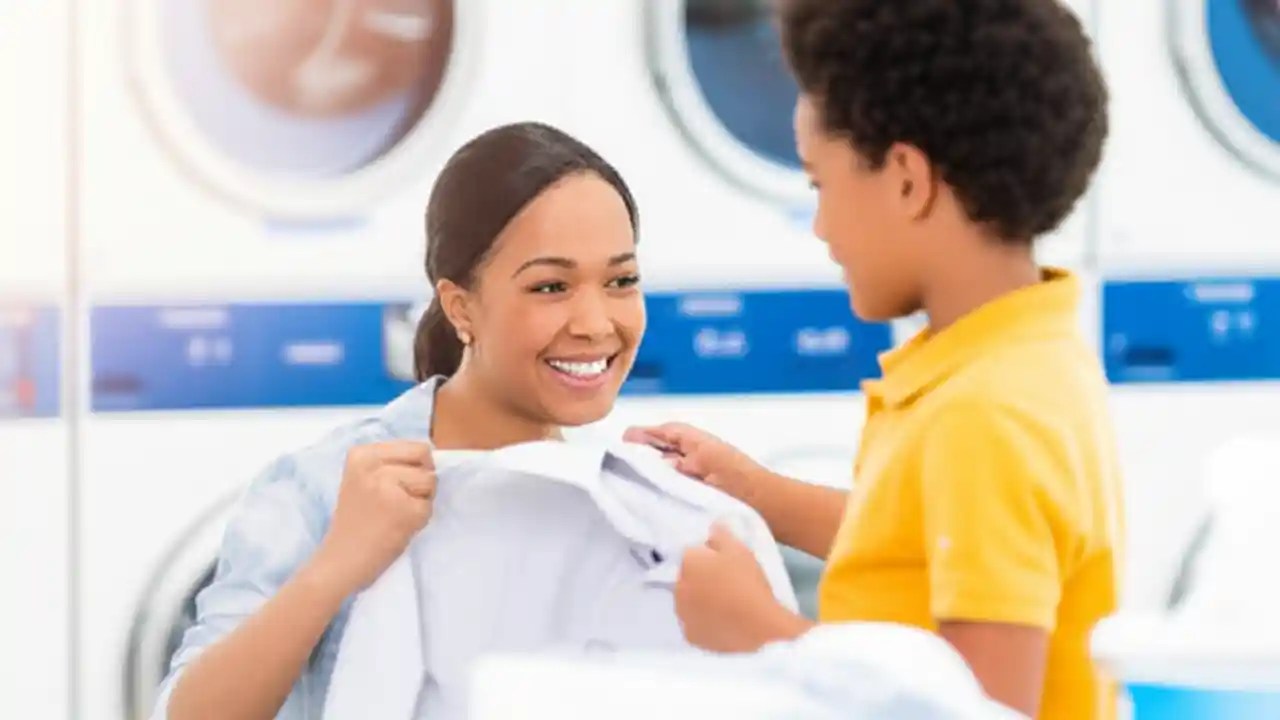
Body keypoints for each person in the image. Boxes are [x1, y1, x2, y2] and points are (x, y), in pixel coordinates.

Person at [625, 1, 1122, 719]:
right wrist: (756, 492)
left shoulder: (986, 414)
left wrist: (763, 635)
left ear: (907, 181)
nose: (822, 228)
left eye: (821, 185)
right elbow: (923, 544)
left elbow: (982, 710)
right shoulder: (1019, 357)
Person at [157, 121, 647, 719]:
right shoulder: (325, 488)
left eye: (621, 280)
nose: (597, 322)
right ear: (460, 306)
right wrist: (336, 568)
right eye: (551, 286)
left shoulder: (631, 501)